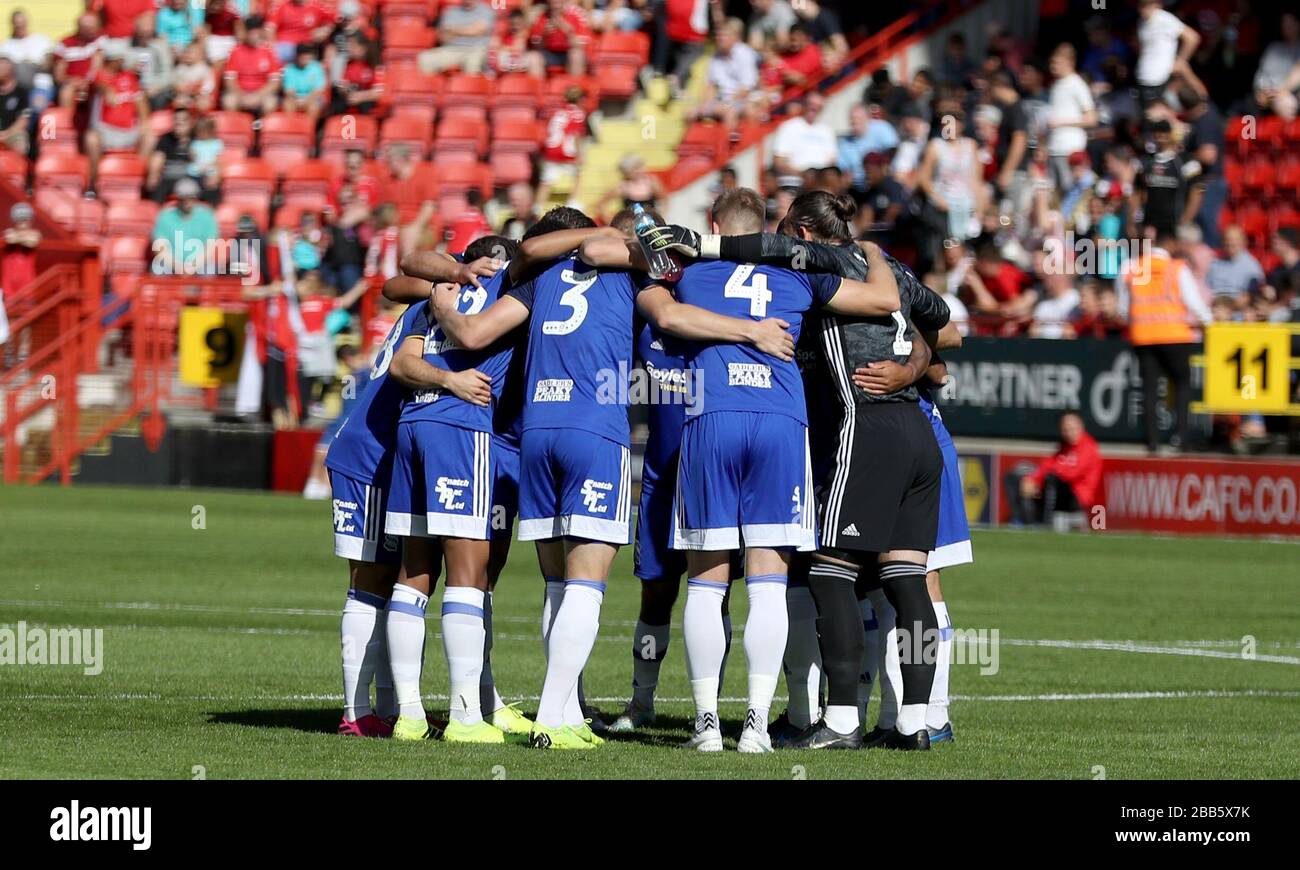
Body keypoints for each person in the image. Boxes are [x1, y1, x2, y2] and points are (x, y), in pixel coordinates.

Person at [431, 205, 798, 750]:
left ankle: (568, 707)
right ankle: (557, 716)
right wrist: (750, 331)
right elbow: (669, 316)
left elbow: (478, 325)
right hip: (593, 429)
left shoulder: (540, 278)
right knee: (586, 582)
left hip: (536, 431)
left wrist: (440, 296)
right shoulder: (637, 272)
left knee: (557, 582)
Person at [641, 190, 907, 752]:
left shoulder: (687, 269)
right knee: (767, 583)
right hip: (783, 424)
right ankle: (757, 727)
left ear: (714, 226)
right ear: (766, 230)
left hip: (713, 417)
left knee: (707, 584)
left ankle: (707, 726)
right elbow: (884, 301)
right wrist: (871, 252)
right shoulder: (798, 273)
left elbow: (661, 309)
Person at [1116, 228, 1212, 452]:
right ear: (1168, 243)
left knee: (1149, 389)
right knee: (1182, 386)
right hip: (1175, 336)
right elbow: (1194, 303)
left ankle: (1151, 441)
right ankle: (1182, 438)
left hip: (1144, 337)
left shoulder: (1131, 268)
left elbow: (1123, 309)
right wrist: (1210, 322)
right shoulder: (1176, 268)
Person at [1004, 413, 1102, 528]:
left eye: (1072, 429)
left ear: (1081, 427)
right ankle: (1022, 520)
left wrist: (1048, 474)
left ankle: (1047, 523)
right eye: (1065, 430)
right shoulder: (1064, 447)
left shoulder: (1089, 447)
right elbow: (1047, 464)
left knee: (1052, 478)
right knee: (1014, 476)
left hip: (1077, 497)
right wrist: (1033, 480)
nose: (1069, 433)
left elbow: (1071, 474)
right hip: (1059, 492)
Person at [1135, 0, 1200, 108]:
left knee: (1160, 115)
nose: (1142, 9)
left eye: (1146, 5)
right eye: (1140, 5)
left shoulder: (1165, 19)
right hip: (1144, 77)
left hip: (1161, 79)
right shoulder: (1141, 22)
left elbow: (1192, 38)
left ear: (1156, 4)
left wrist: (1180, 62)